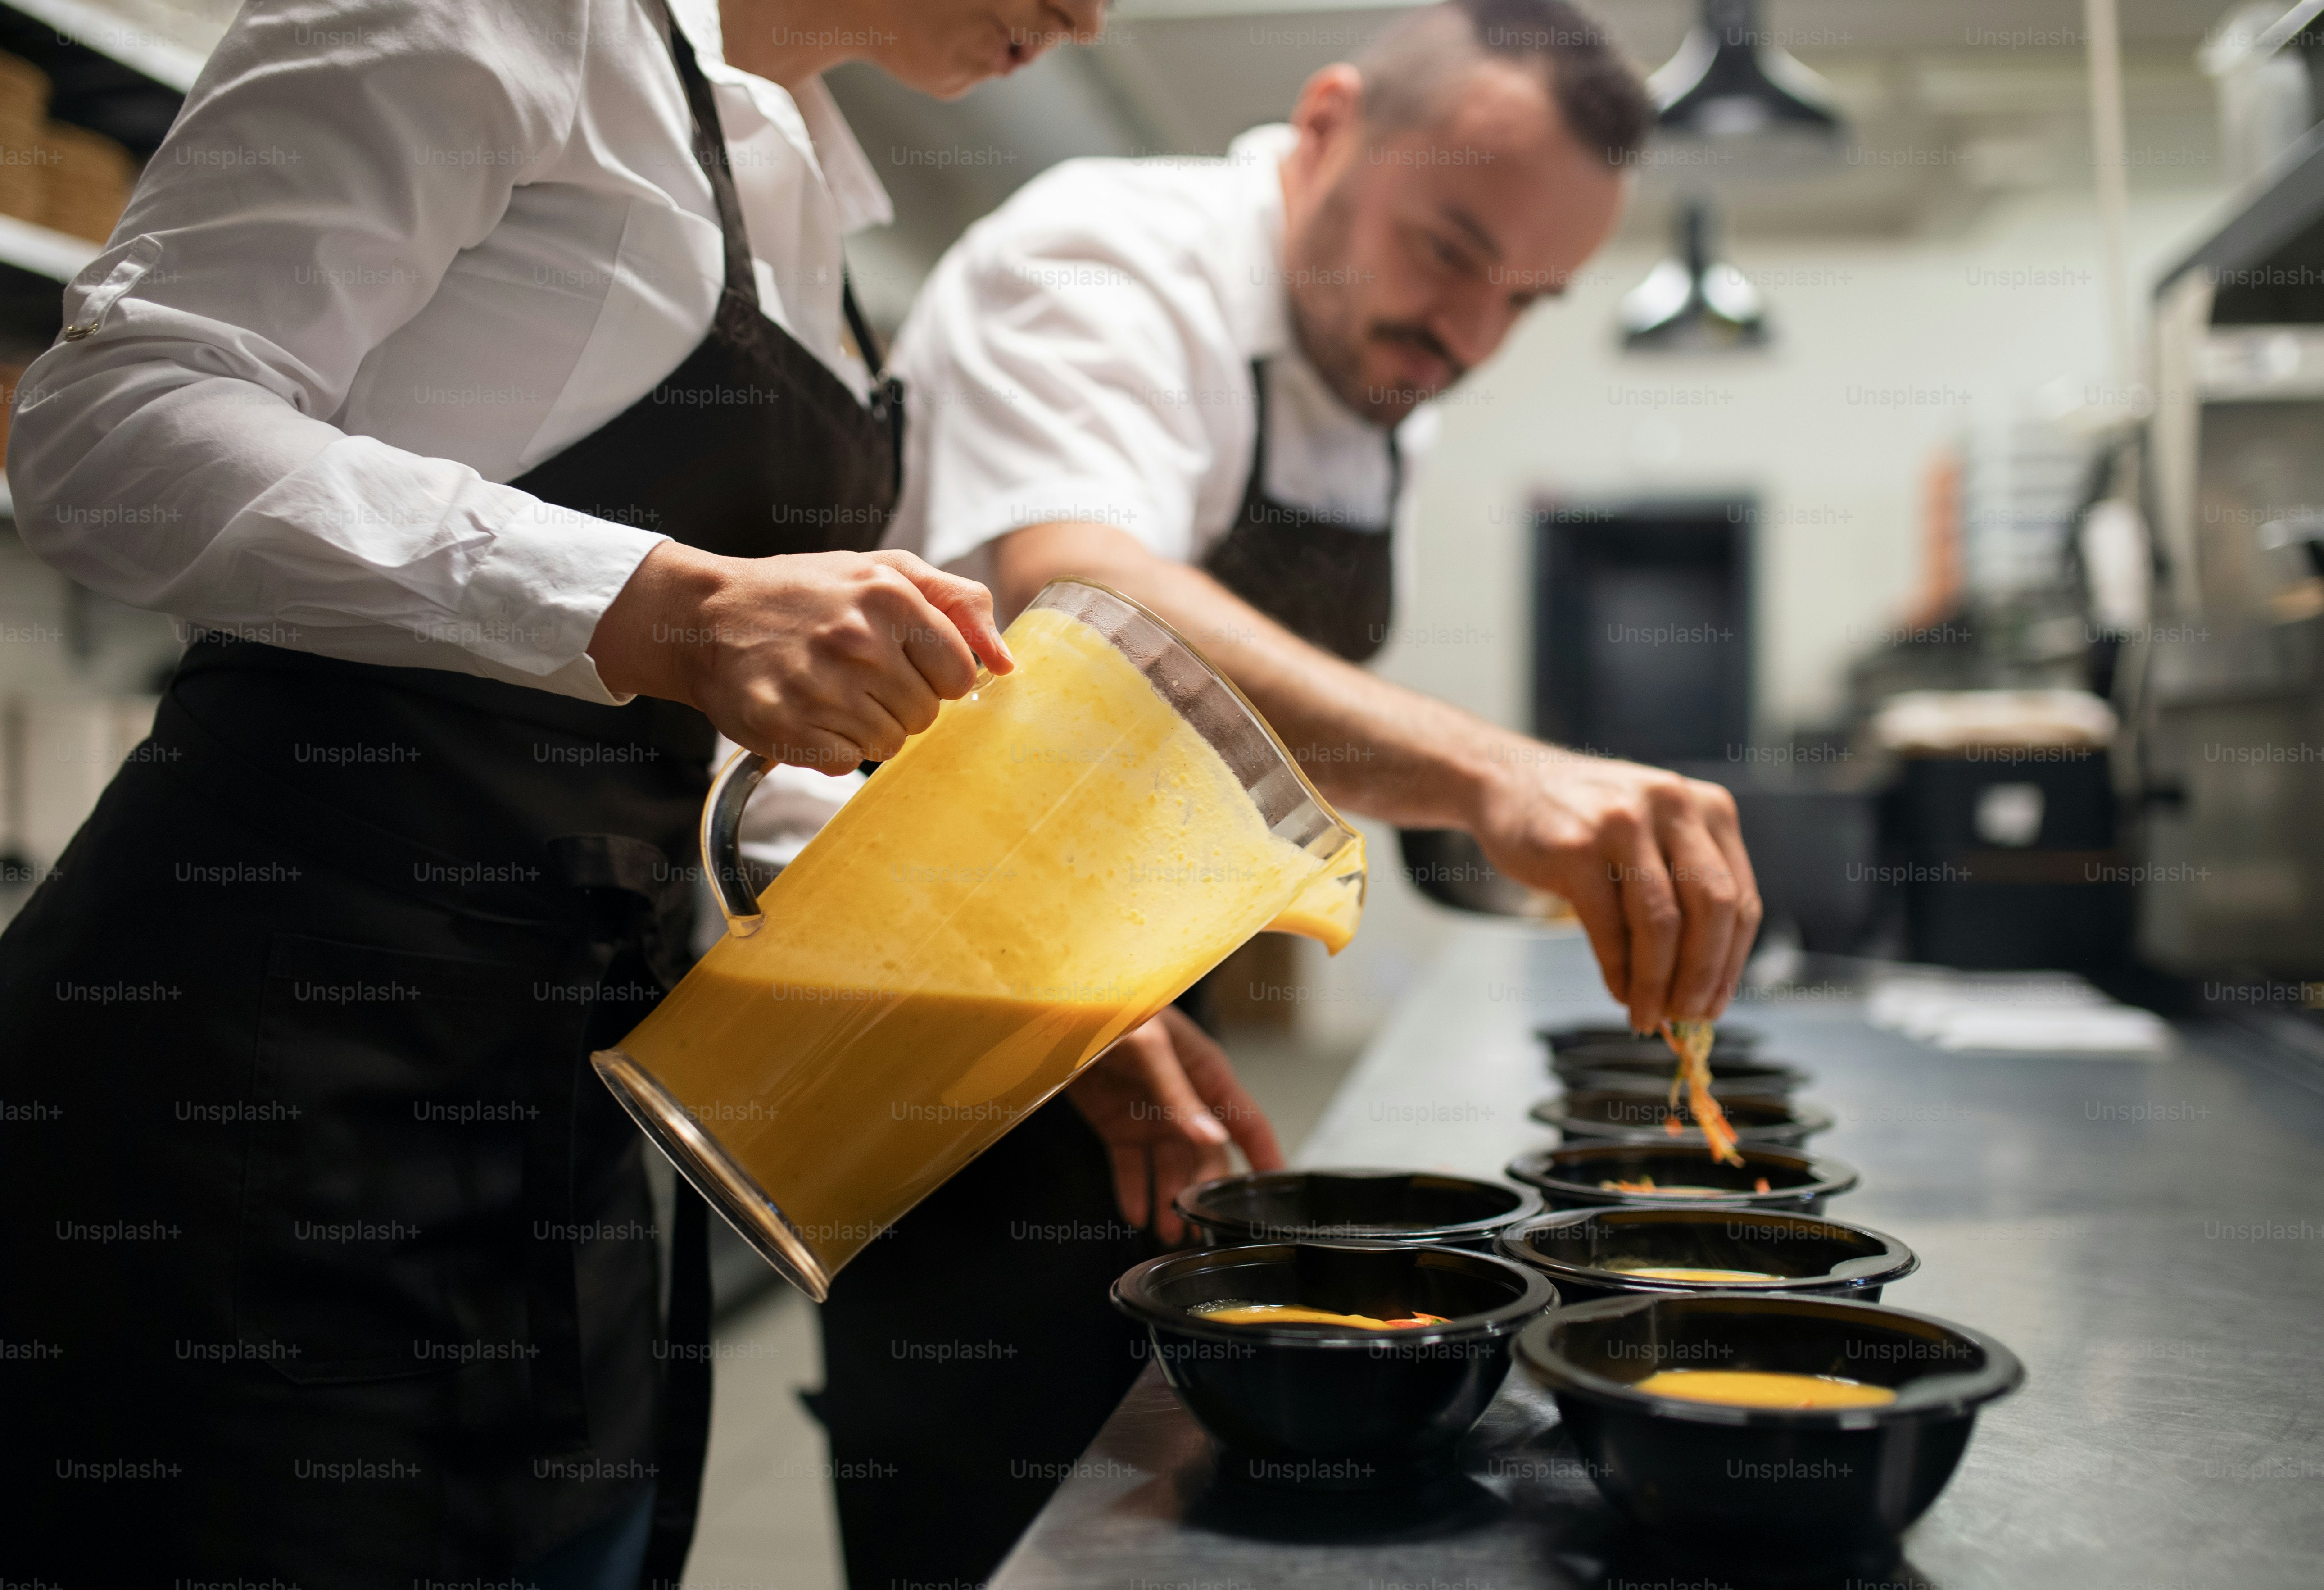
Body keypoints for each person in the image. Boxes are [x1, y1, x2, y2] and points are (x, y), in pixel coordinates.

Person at [0, 0, 1097, 1582]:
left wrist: (1039, 1001)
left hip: (555, 1111)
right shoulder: (505, 18)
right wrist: (673, 605)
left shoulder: (817, 210)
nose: (1091, 16)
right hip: (260, 1072)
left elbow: (721, 754)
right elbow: (111, 428)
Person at [817, 1, 1764, 1584]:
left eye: (1523, 297)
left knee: (1184, 1522)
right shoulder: (1107, 255)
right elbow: (1087, 599)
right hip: (933, 1036)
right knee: (995, 1517)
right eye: (1449, 247)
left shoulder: (1388, 372)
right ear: (1325, 123)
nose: (1466, 329)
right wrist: (1492, 773)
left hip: (1138, 1030)